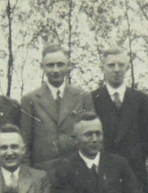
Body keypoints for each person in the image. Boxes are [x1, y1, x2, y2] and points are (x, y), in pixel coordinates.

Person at [20, 44, 94, 173]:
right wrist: (29, 176)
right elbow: (25, 143)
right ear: (42, 67)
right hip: (43, 174)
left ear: (68, 66)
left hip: (78, 172)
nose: (55, 70)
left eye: (60, 64)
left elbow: (93, 137)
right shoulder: (30, 100)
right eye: (50, 65)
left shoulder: (83, 97)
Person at [91, 46, 148, 192]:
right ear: (102, 68)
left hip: (134, 173)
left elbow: (147, 138)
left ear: (127, 67)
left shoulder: (140, 99)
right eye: (111, 65)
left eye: (121, 65)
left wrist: (136, 159)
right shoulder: (92, 99)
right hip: (103, 174)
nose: (116, 69)